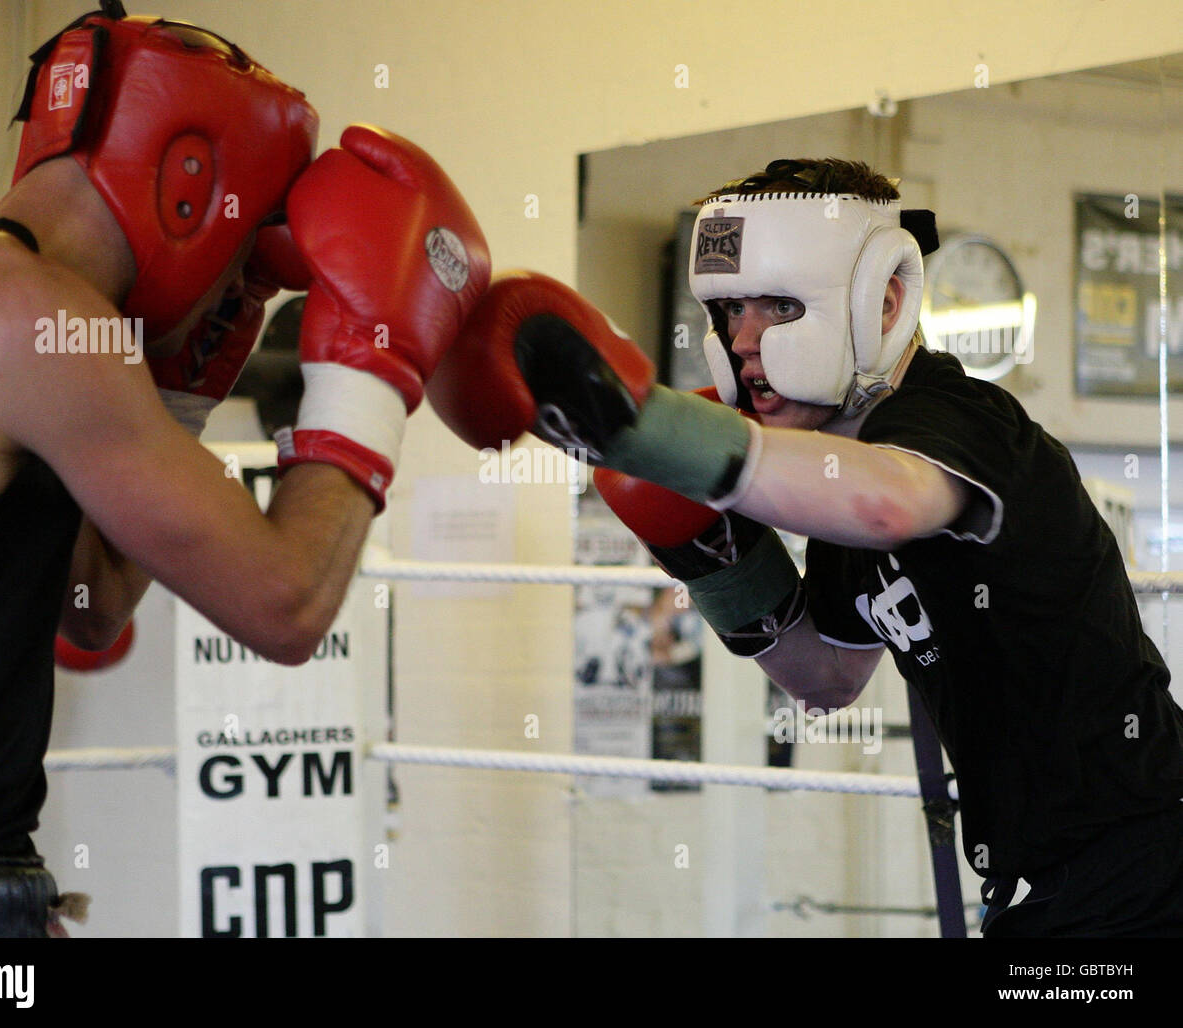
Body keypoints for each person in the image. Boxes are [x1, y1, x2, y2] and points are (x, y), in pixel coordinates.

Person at [429, 157, 1183, 937]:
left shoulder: (959, 420)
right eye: (727, 310)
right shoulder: (837, 491)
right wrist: (709, 555)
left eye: (780, 306)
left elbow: (892, 500)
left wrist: (646, 431)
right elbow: (826, 677)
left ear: (883, 300)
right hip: (1052, 887)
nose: (743, 341)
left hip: (1150, 863)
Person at [0, 1, 488, 937]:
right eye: (254, 242)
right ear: (189, 185)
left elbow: (88, 606)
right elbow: (285, 606)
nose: (248, 273)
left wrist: (186, 387)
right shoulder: (34, 321)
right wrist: (372, 368)